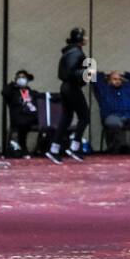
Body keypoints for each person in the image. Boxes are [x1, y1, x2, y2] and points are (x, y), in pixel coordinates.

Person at [49, 27, 90, 164]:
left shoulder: (69, 52)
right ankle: (74, 146)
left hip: (66, 87)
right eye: (84, 36)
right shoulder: (76, 52)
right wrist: (88, 72)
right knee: (84, 116)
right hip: (72, 87)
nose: (86, 38)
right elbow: (72, 73)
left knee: (66, 119)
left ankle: (54, 149)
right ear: (79, 38)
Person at [92, 70, 130, 153]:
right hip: (112, 115)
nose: (118, 81)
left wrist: (123, 75)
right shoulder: (103, 87)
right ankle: (114, 148)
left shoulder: (127, 87)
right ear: (109, 80)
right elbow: (94, 76)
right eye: (114, 79)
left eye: (119, 79)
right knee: (114, 123)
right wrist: (107, 75)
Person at [2, 69, 41, 157]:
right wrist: (12, 83)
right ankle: (22, 149)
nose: (21, 79)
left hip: (32, 117)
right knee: (22, 123)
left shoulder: (32, 92)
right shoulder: (13, 92)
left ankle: (43, 148)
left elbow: (42, 98)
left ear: (27, 80)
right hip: (19, 118)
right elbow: (4, 93)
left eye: (23, 77)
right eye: (19, 77)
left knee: (48, 123)